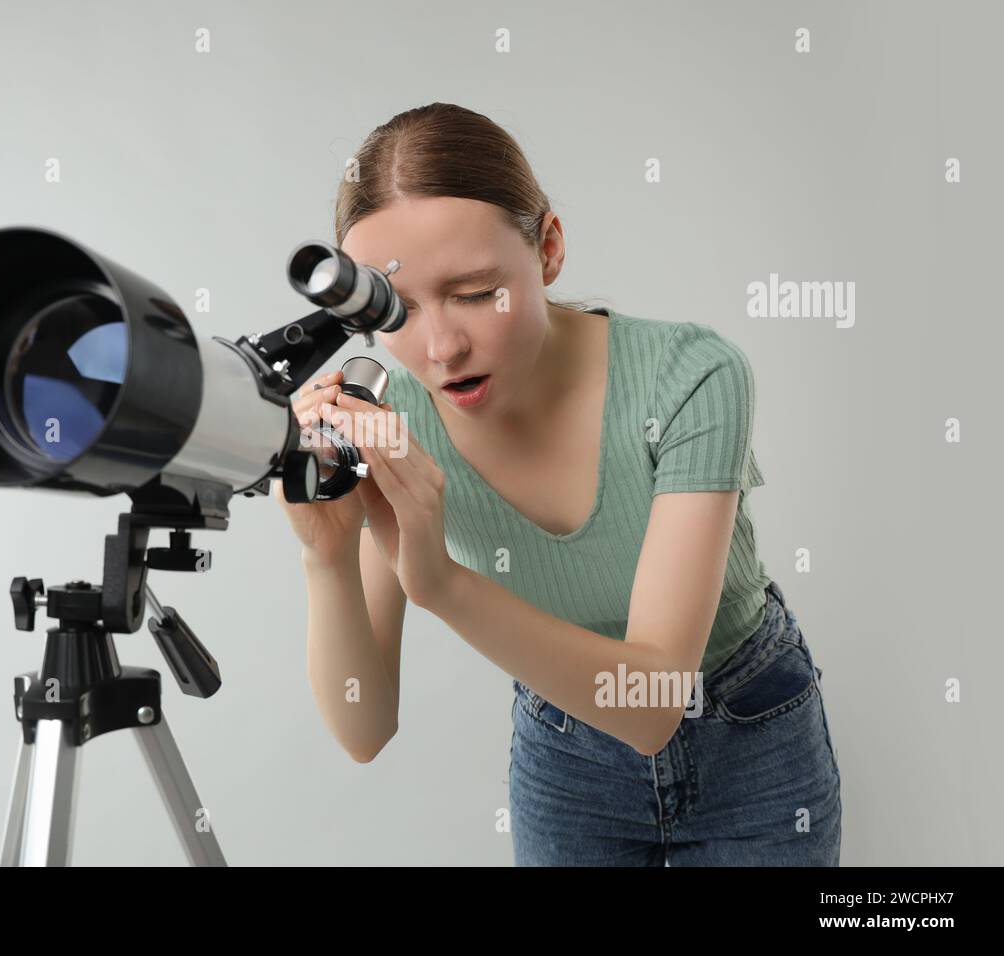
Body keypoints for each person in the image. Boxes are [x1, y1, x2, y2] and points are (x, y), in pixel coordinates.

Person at [275, 102, 841, 866]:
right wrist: (327, 557)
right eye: (397, 310)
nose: (440, 347)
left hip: (748, 729)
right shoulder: (395, 414)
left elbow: (651, 708)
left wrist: (440, 583)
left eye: (476, 292)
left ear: (548, 248)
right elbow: (363, 730)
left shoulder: (692, 377)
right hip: (567, 752)